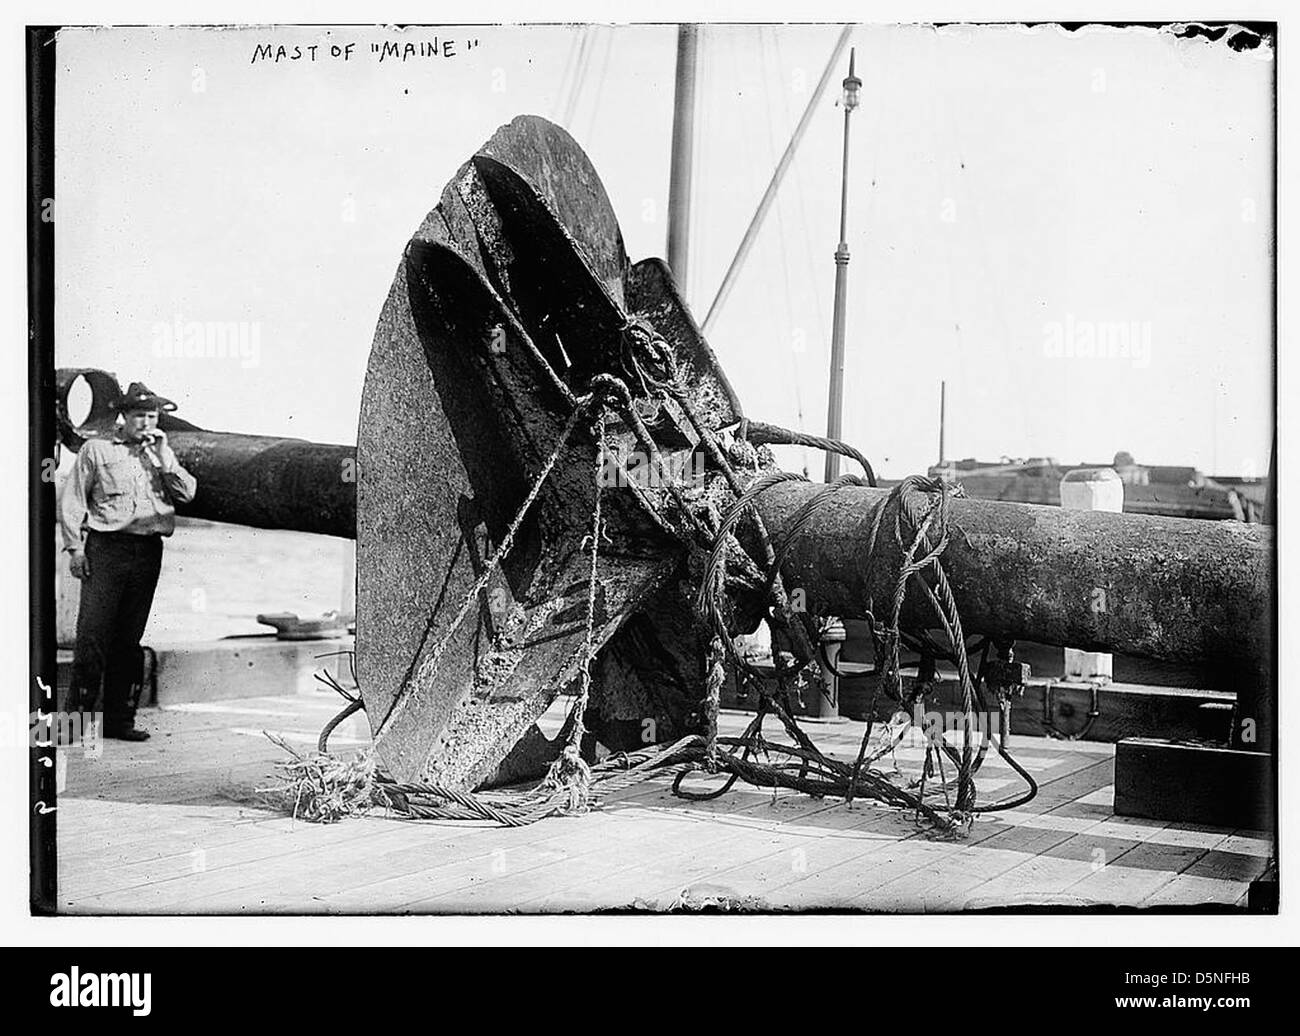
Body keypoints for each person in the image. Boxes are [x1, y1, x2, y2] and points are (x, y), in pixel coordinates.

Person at [58, 383, 198, 740]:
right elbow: (73, 500)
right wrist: (75, 548)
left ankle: (119, 721)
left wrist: (165, 457)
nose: (146, 422)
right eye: (139, 415)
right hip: (106, 550)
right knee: (92, 638)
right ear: (124, 416)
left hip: (147, 551)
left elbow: (187, 494)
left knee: (129, 641)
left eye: (152, 416)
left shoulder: (159, 455)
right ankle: (75, 724)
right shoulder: (97, 449)